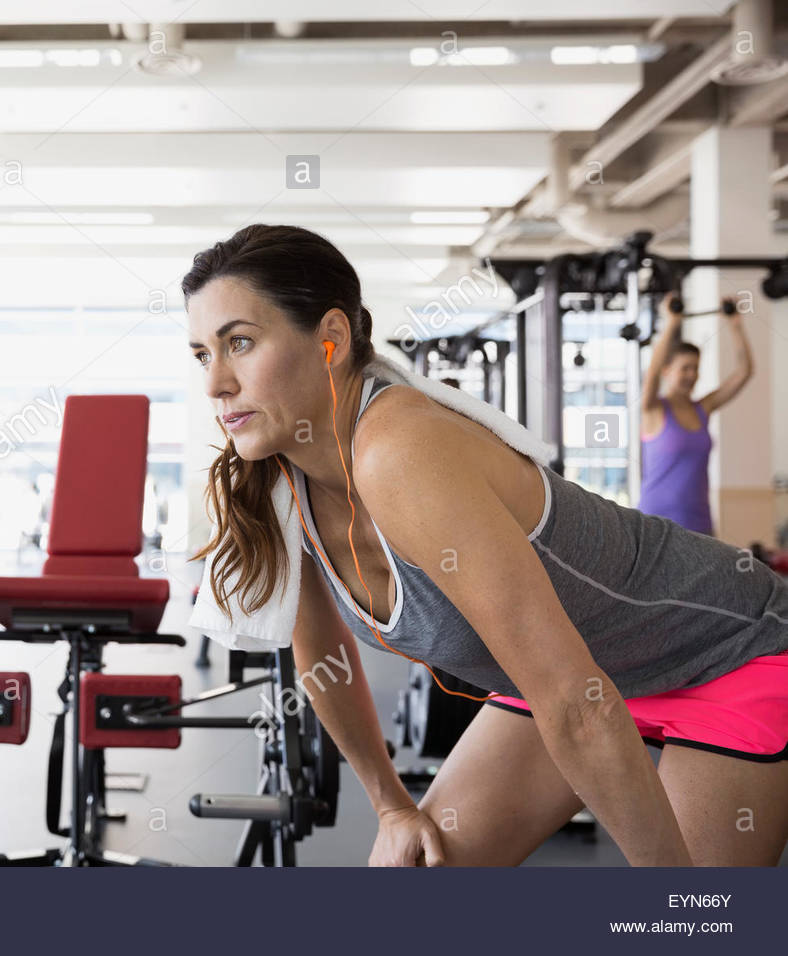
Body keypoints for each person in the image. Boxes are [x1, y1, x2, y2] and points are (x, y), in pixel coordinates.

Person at [186, 224, 788, 867]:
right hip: (575, 673)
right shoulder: (282, 479)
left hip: (724, 651)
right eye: (201, 355)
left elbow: (577, 705)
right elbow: (321, 653)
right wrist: (391, 806)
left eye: (240, 343)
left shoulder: (400, 452)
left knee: (692, 924)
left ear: (330, 339)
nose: (215, 382)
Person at [638, 294, 754, 536]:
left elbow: (744, 373)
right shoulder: (653, 408)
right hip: (655, 523)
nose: (692, 375)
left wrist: (735, 325)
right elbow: (651, 375)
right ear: (667, 371)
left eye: (696, 368)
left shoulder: (703, 408)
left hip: (699, 521)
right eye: (685, 368)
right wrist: (671, 323)